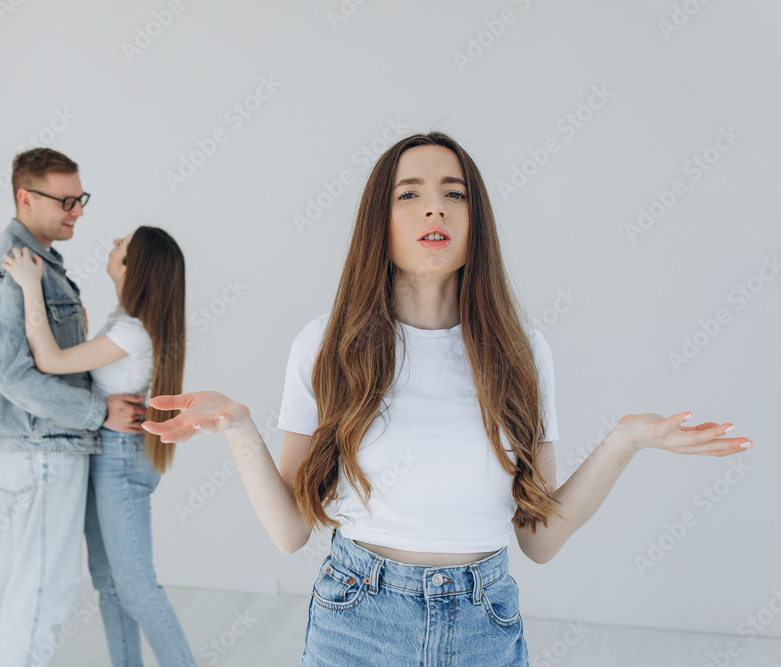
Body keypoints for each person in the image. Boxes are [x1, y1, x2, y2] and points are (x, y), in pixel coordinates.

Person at [138, 131, 753, 666]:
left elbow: (537, 540)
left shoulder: (520, 352)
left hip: (485, 624)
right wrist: (241, 429)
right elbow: (292, 532)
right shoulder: (326, 346)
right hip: (357, 620)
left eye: (454, 193)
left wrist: (627, 440)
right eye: (410, 194)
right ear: (378, 222)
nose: (436, 206)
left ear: (474, 219)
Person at [0, 147, 148, 666]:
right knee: (46, 589)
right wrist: (99, 411)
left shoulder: (34, 263)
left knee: (15, 577)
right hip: (43, 448)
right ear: (26, 197)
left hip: (32, 446)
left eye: (80, 198)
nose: (78, 211)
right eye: (66, 201)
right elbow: (16, 378)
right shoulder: (16, 271)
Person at [0, 223, 195, 666]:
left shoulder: (133, 331)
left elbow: (49, 362)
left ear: (133, 267)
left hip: (119, 460)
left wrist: (31, 286)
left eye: (121, 244)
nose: (112, 244)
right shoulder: (126, 323)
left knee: (137, 587)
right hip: (110, 453)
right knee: (110, 584)